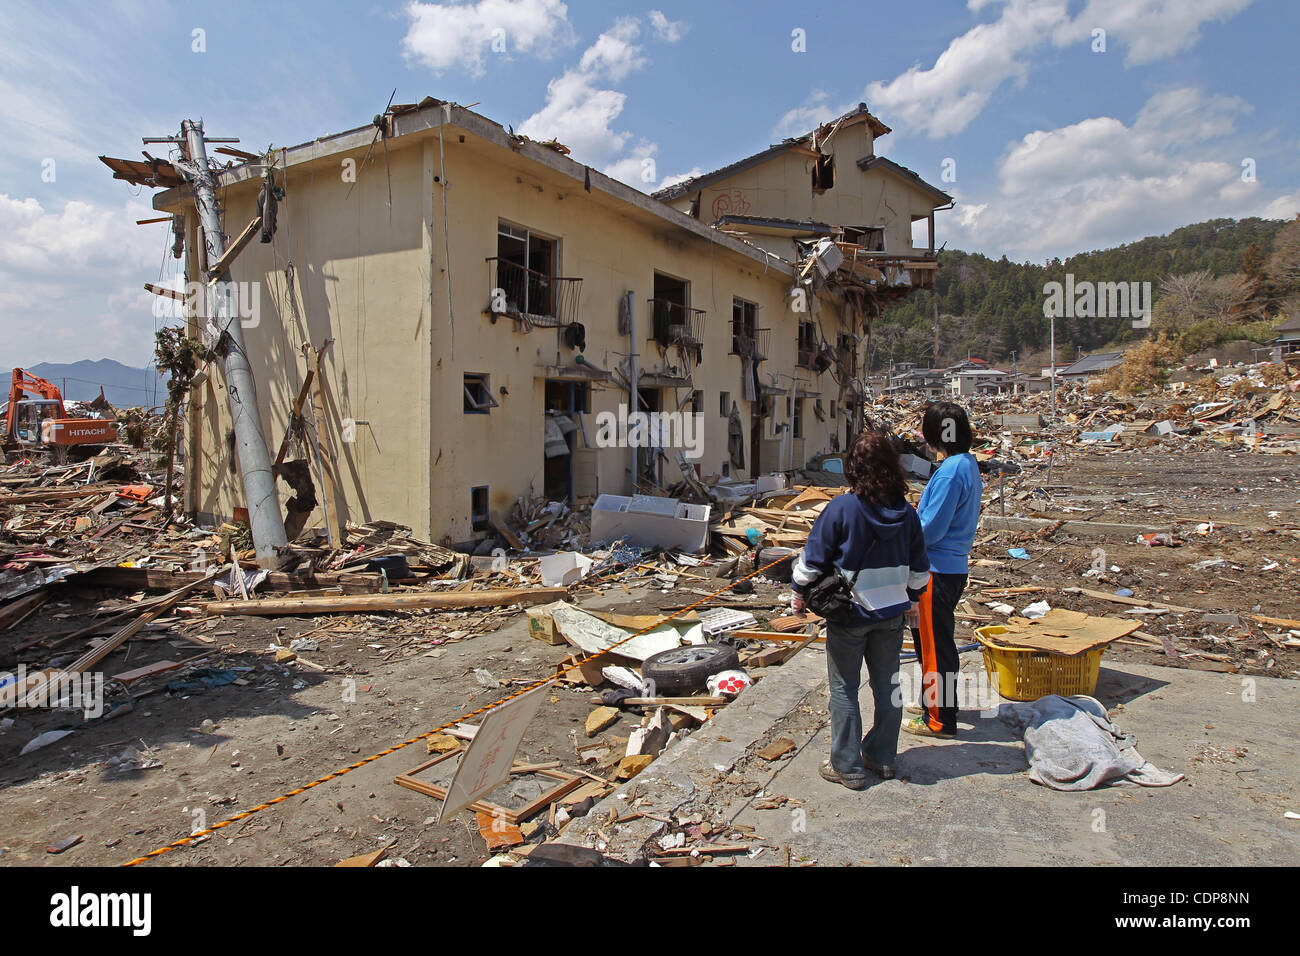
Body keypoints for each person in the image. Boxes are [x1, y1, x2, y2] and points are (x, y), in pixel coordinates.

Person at [791, 429, 930, 790]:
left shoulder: (842, 508)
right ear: (892, 466)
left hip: (850, 614)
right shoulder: (907, 513)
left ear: (852, 467)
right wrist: (911, 600)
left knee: (844, 687)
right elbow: (920, 570)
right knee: (888, 687)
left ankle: (847, 766)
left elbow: (812, 560)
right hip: (891, 616)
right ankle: (883, 758)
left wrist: (797, 593)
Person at [904, 401, 982, 740]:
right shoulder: (966, 464)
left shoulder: (950, 471)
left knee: (934, 648)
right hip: (951, 566)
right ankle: (935, 703)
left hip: (934, 570)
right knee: (933, 645)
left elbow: (930, 529)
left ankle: (938, 719)